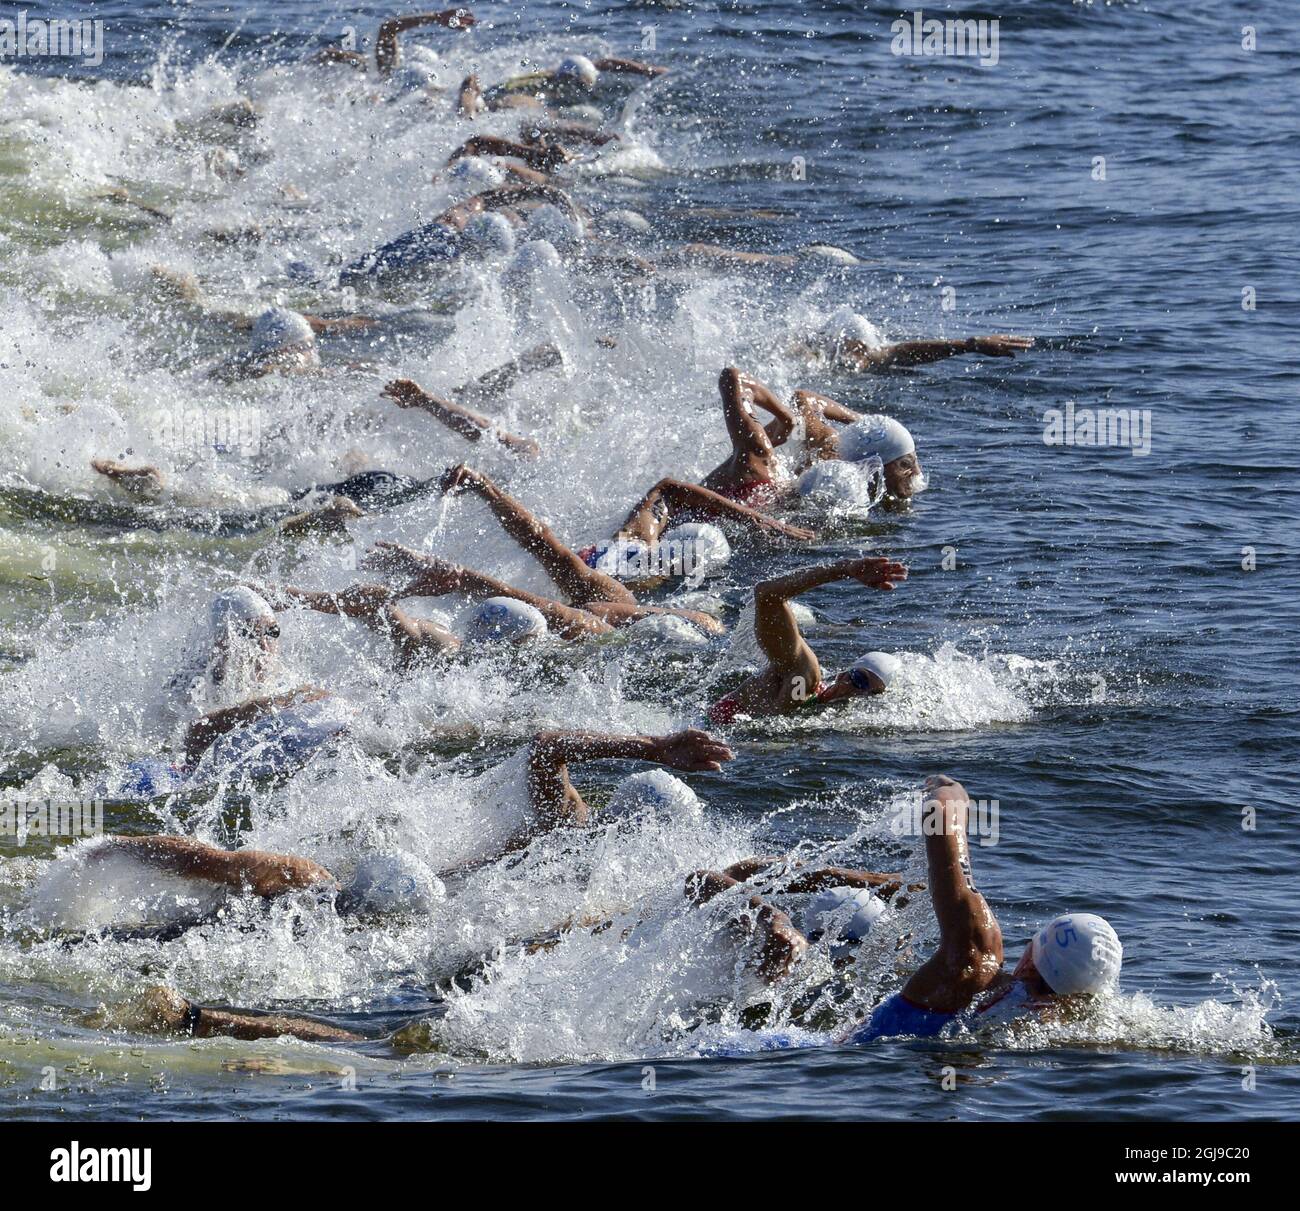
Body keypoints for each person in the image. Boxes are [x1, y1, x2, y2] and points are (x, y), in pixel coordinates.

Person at [99, 727, 732, 1042]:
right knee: (294, 906)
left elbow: (545, 749)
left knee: (276, 893)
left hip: (411, 923)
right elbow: (545, 748)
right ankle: (118, 883)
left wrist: (651, 746)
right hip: (414, 921)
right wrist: (650, 745)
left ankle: (106, 870)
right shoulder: (577, 837)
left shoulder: (584, 852)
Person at [841, 775, 1123, 1043]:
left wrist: (949, 787)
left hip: (827, 1053)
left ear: (1031, 956)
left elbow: (940, 814)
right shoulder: (1066, 1024)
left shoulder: (974, 960)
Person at [434, 461, 811, 624]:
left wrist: (763, 521)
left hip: (597, 558)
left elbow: (668, 488)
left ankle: (482, 489)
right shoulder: (623, 593)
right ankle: (479, 501)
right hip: (599, 582)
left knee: (549, 552)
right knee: (552, 562)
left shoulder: (637, 539)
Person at [706, 556, 907, 724]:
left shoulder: (832, 721)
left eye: (873, 695)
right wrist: (844, 569)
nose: (859, 695)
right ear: (843, 674)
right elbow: (767, 594)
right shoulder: (802, 679)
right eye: (859, 680)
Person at [796, 309, 1034, 374]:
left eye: (864, 348)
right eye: (854, 346)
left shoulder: (862, 359)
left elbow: (904, 351)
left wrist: (971, 345)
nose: (861, 356)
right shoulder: (796, 356)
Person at [457, 54, 666, 118]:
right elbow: (511, 102)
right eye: (582, 85)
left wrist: (646, 70)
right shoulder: (540, 90)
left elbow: (604, 62)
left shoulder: (560, 72)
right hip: (499, 96)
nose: (585, 89)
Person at [313, 8, 475, 78]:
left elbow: (387, 28)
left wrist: (437, 17)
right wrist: (437, 17)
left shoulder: (382, 77)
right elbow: (388, 28)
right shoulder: (383, 73)